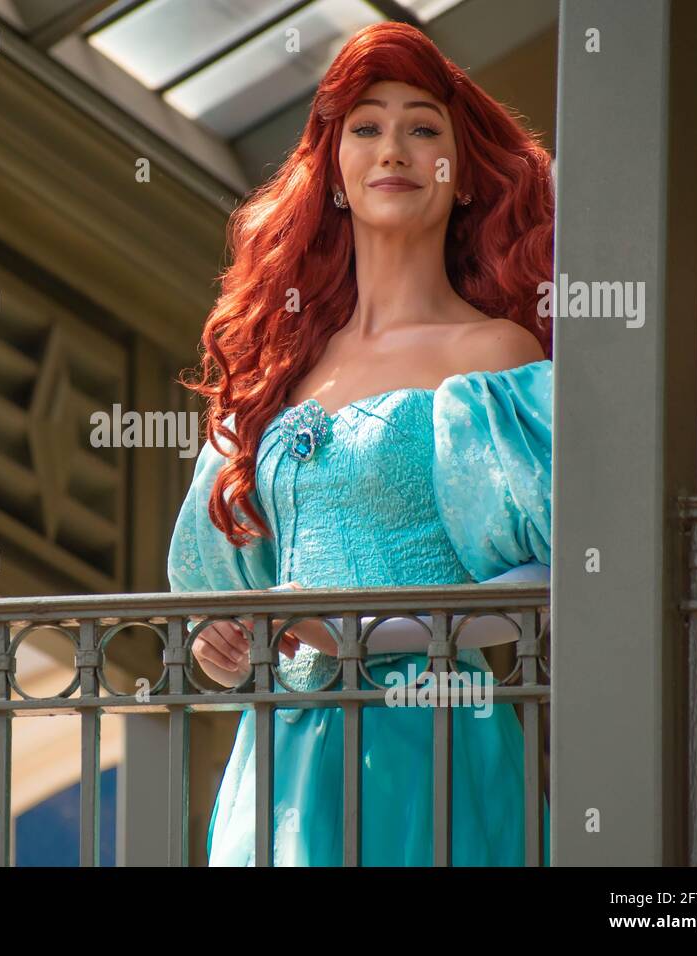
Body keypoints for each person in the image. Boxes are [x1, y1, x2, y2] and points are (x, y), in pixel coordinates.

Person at [166, 21, 554, 867]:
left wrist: (371, 633)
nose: (395, 149)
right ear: (335, 168)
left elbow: (554, 579)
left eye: (423, 127)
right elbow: (233, 598)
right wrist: (223, 648)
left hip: (436, 739)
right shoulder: (277, 368)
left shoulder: (490, 358)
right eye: (367, 127)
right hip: (282, 763)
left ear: (460, 175)